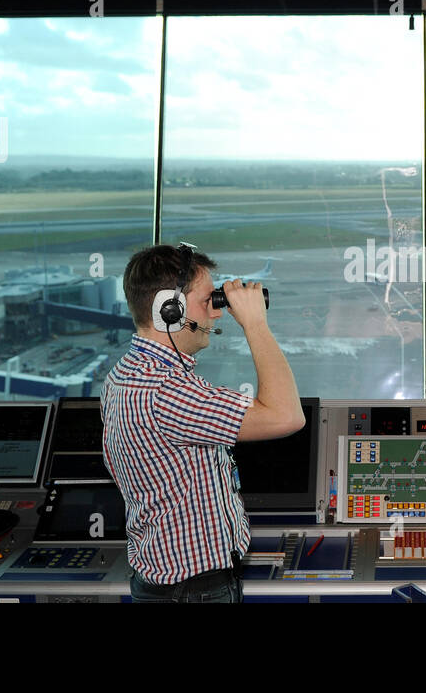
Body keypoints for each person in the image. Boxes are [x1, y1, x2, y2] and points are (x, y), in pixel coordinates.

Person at [101, 242, 304, 603]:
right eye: (209, 300)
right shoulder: (164, 391)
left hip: (168, 582)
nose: (217, 313)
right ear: (170, 310)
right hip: (194, 590)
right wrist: (255, 323)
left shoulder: (126, 374)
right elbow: (286, 415)